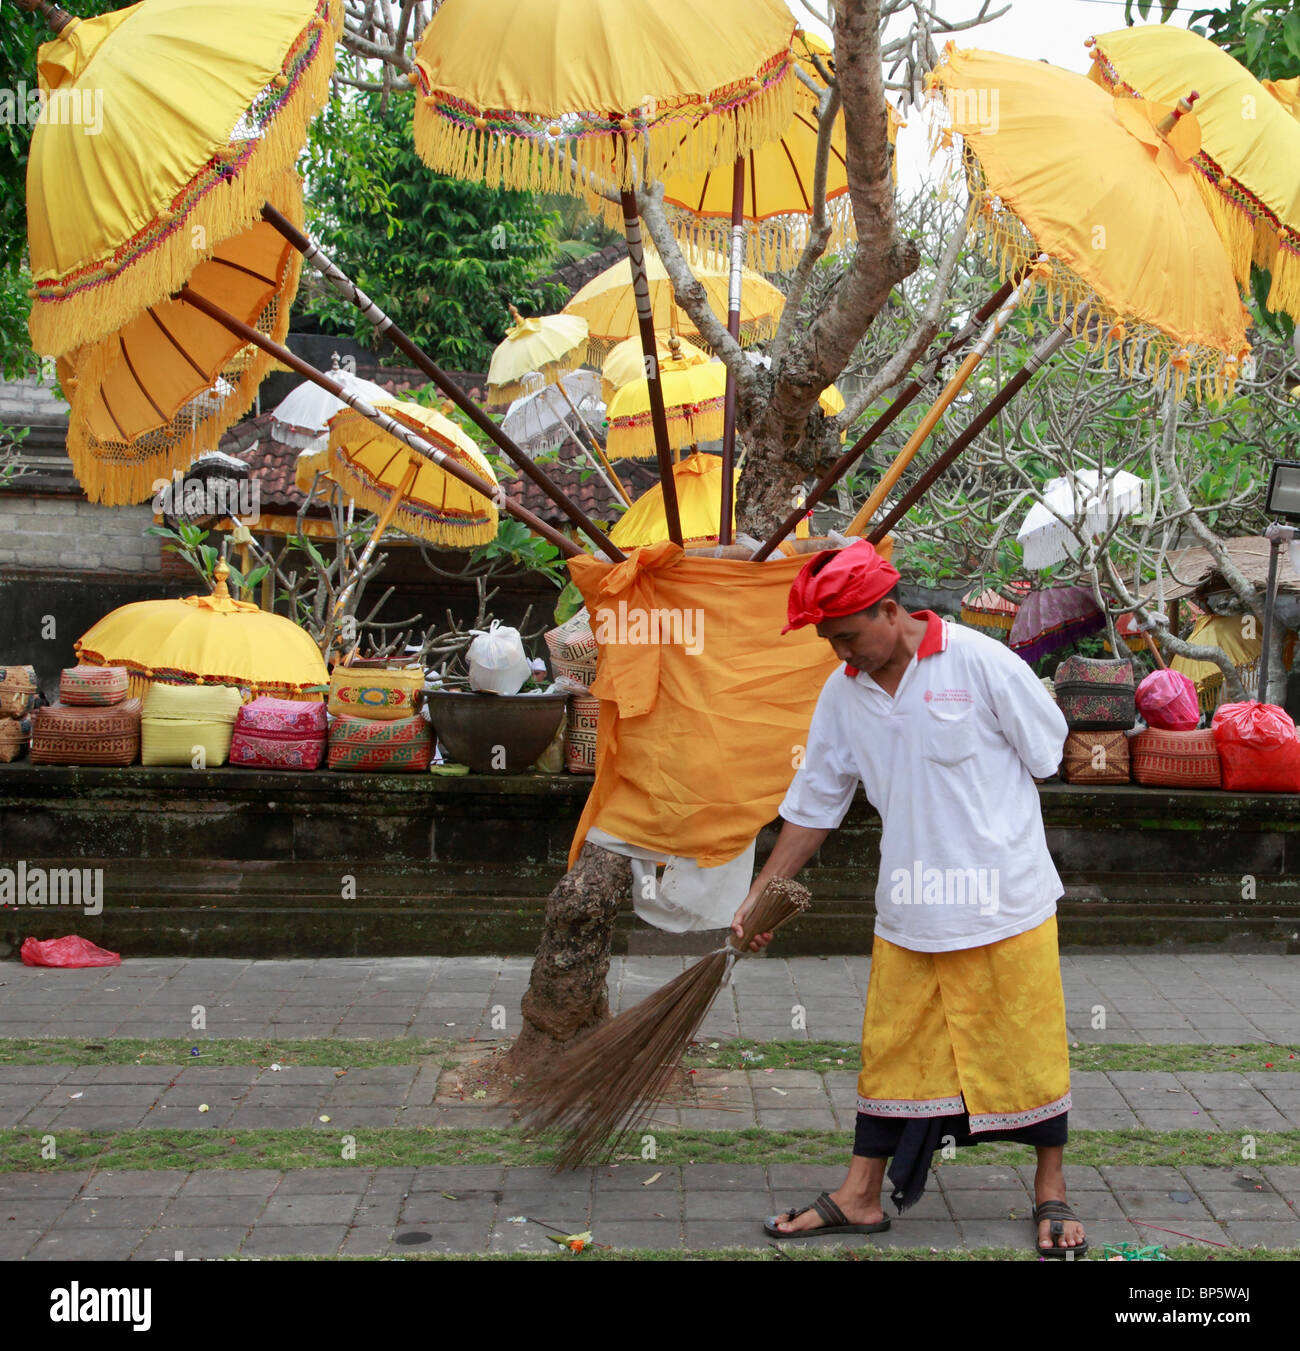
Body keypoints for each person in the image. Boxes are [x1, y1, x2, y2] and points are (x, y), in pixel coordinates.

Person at [732, 541, 1085, 1257]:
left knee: (1029, 1052)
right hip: (910, 906)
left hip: (1005, 902)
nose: (840, 653)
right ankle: (859, 1196)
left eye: (848, 635)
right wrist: (762, 891)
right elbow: (816, 802)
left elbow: (1049, 752)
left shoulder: (983, 664)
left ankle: (1051, 1191)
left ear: (891, 610)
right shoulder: (844, 691)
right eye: (830, 641)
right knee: (889, 1055)